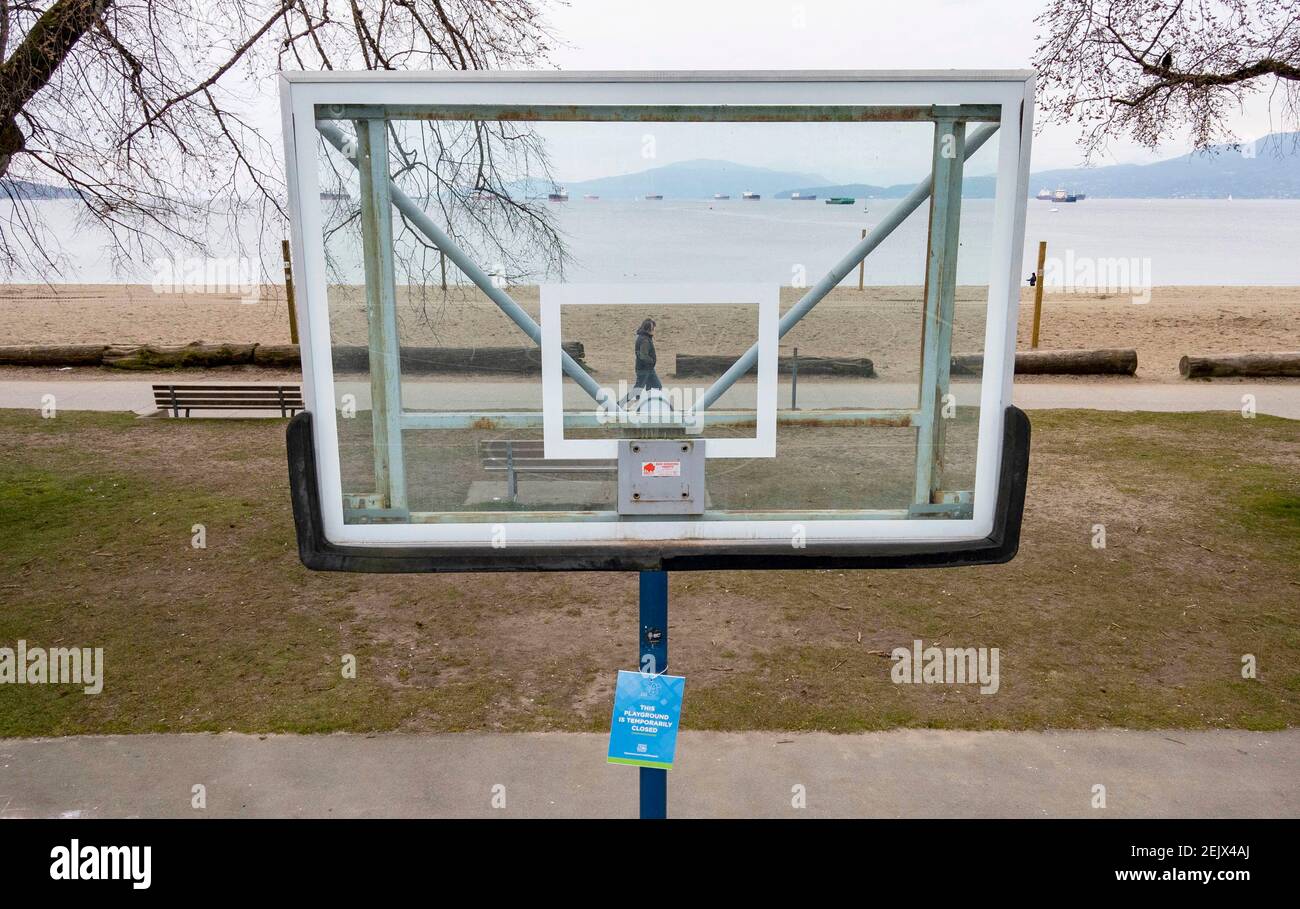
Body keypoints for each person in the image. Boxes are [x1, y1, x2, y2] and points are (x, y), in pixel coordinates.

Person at [622, 317, 662, 406]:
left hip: (648, 369)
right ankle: (619, 405)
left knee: (656, 386)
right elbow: (643, 355)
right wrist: (651, 361)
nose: (654, 330)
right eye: (653, 328)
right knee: (637, 390)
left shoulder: (643, 337)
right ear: (649, 329)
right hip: (644, 369)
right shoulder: (645, 340)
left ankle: (649, 405)